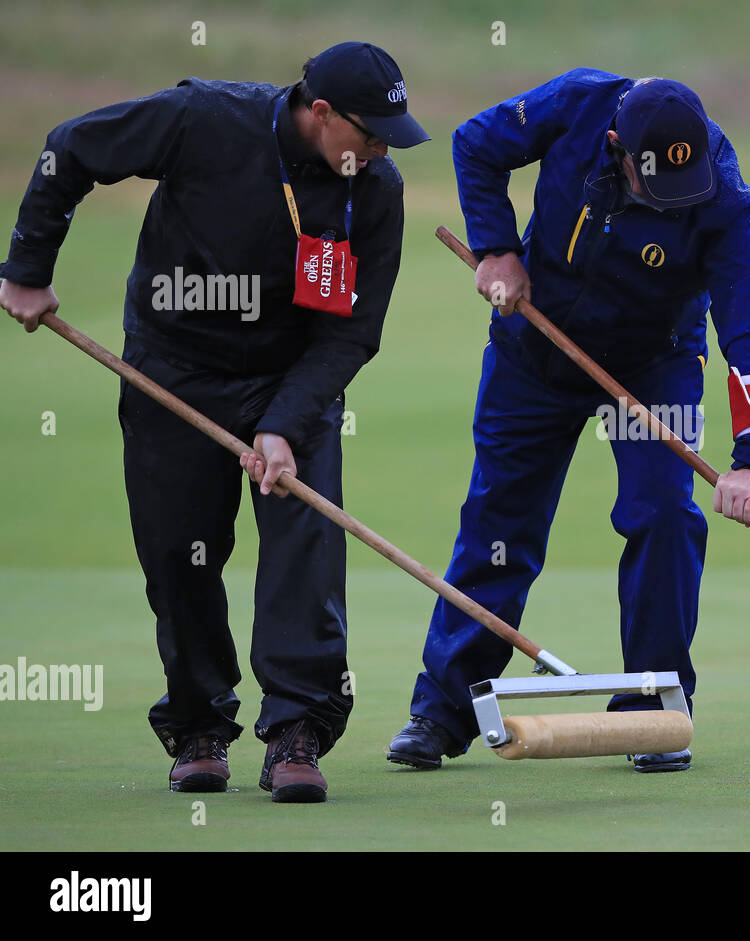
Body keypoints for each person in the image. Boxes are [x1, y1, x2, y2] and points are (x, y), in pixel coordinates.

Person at [0, 42, 429, 802]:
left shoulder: (377, 192)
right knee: (180, 556)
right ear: (319, 113)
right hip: (175, 368)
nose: (379, 150)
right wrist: (29, 267)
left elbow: (353, 332)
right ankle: (199, 726)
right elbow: (71, 148)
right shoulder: (202, 119)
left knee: (305, 556)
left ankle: (298, 730)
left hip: (292, 379)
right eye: (369, 134)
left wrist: (285, 423)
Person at [387, 70, 750, 773]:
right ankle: (443, 708)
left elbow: (746, 323)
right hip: (533, 350)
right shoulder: (578, 104)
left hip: (652, 364)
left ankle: (656, 712)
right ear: (615, 147)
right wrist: (497, 247)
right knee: (501, 524)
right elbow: (475, 144)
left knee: (663, 513)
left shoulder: (718, 190)